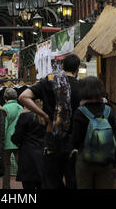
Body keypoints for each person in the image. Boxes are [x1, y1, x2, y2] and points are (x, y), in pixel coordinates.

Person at [19, 53, 81, 189]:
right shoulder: (81, 85)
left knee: (51, 180)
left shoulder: (48, 81)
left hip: (52, 135)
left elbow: (23, 97)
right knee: (73, 179)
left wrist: (45, 116)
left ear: (62, 66)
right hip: (74, 139)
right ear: (77, 69)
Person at [69, 75, 116, 189]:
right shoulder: (108, 110)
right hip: (106, 160)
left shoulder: (80, 112)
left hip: (85, 160)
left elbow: (76, 139)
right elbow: (115, 135)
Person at [11, 100, 46, 190]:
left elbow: (16, 137)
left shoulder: (25, 116)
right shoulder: (46, 116)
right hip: (43, 154)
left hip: (27, 155)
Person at [2, 88, 23, 189]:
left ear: (5, 97)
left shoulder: (5, 108)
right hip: (19, 141)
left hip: (7, 141)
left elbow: (4, 126)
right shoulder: (21, 107)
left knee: (6, 166)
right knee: (21, 165)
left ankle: (6, 187)